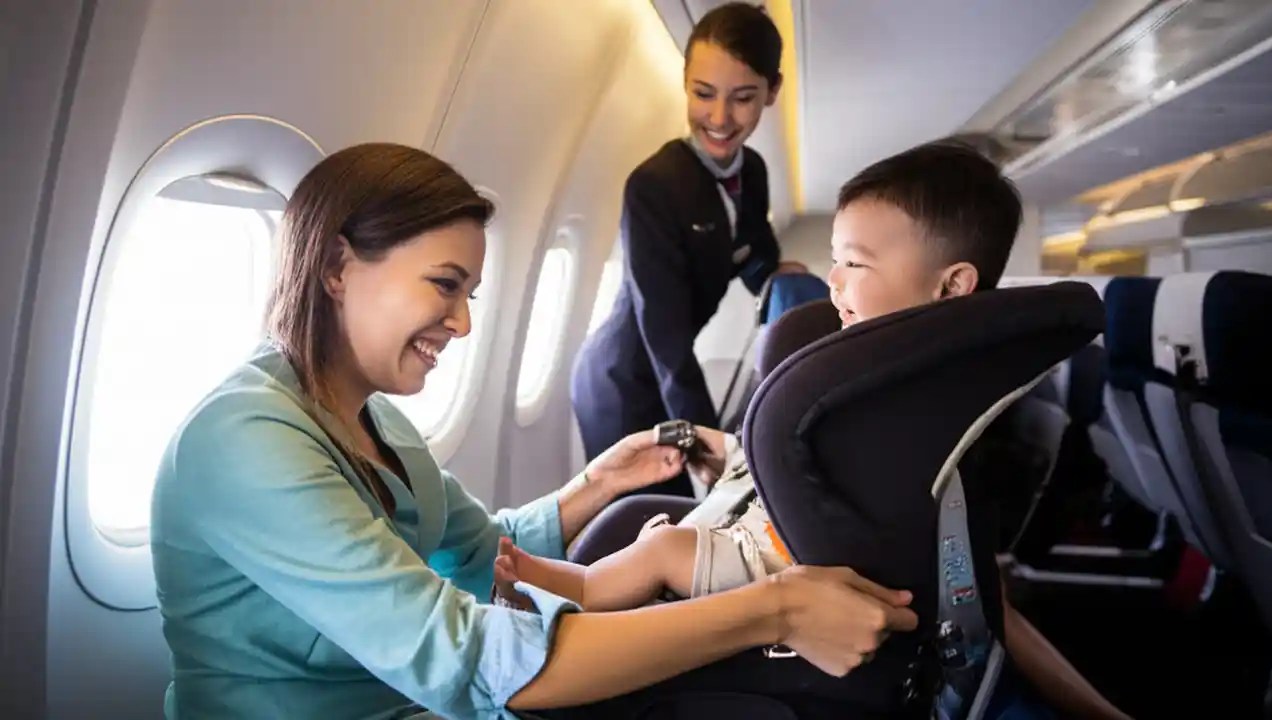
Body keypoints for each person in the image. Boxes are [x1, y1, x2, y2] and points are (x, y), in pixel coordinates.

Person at [148, 142, 920, 720]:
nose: (463, 320)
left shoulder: (375, 420)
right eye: (445, 286)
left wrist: (601, 484)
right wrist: (775, 608)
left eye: (471, 291)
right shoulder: (245, 441)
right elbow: (466, 654)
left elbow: (487, 549)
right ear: (337, 267)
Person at [498, 140, 1135, 720]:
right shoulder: (865, 374)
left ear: (952, 286)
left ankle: (559, 586)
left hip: (777, 568)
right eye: (835, 260)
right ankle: (553, 586)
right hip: (765, 539)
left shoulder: (917, 404)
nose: (833, 283)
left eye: (854, 264)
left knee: (656, 551)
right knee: (649, 541)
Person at [570, 2, 807, 496]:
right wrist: (710, 443)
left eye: (742, 97)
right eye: (703, 94)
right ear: (685, 83)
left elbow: (753, 247)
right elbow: (664, 335)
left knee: (681, 521)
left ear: (772, 92)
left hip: (666, 369)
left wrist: (778, 279)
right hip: (624, 378)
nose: (719, 118)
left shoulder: (755, 171)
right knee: (655, 517)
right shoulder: (654, 187)